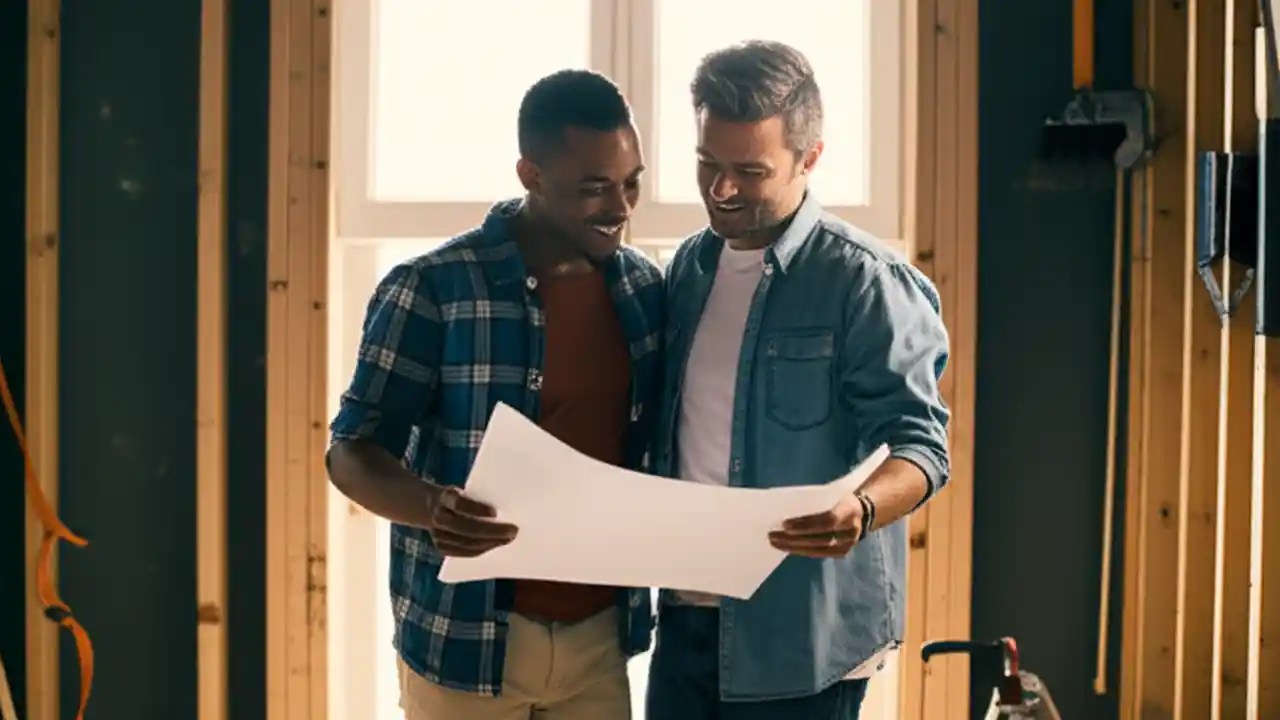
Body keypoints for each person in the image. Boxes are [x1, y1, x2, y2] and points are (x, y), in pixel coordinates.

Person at [326, 69, 664, 720]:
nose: (620, 208)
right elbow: (351, 452)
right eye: (594, 188)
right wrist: (431, 506)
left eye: (631, 183)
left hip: (600, 637)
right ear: (530, 175)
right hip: (465, 638)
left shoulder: (644, 291)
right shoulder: (433, 287)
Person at [645, 40, 952, 719]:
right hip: (685, 619)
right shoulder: (688, 270)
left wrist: (862, 509)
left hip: (802, 633)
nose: (720, 190)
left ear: (809, 159)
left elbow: (921, 448)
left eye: (748, 171)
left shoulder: (865, 281)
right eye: (706, 163)